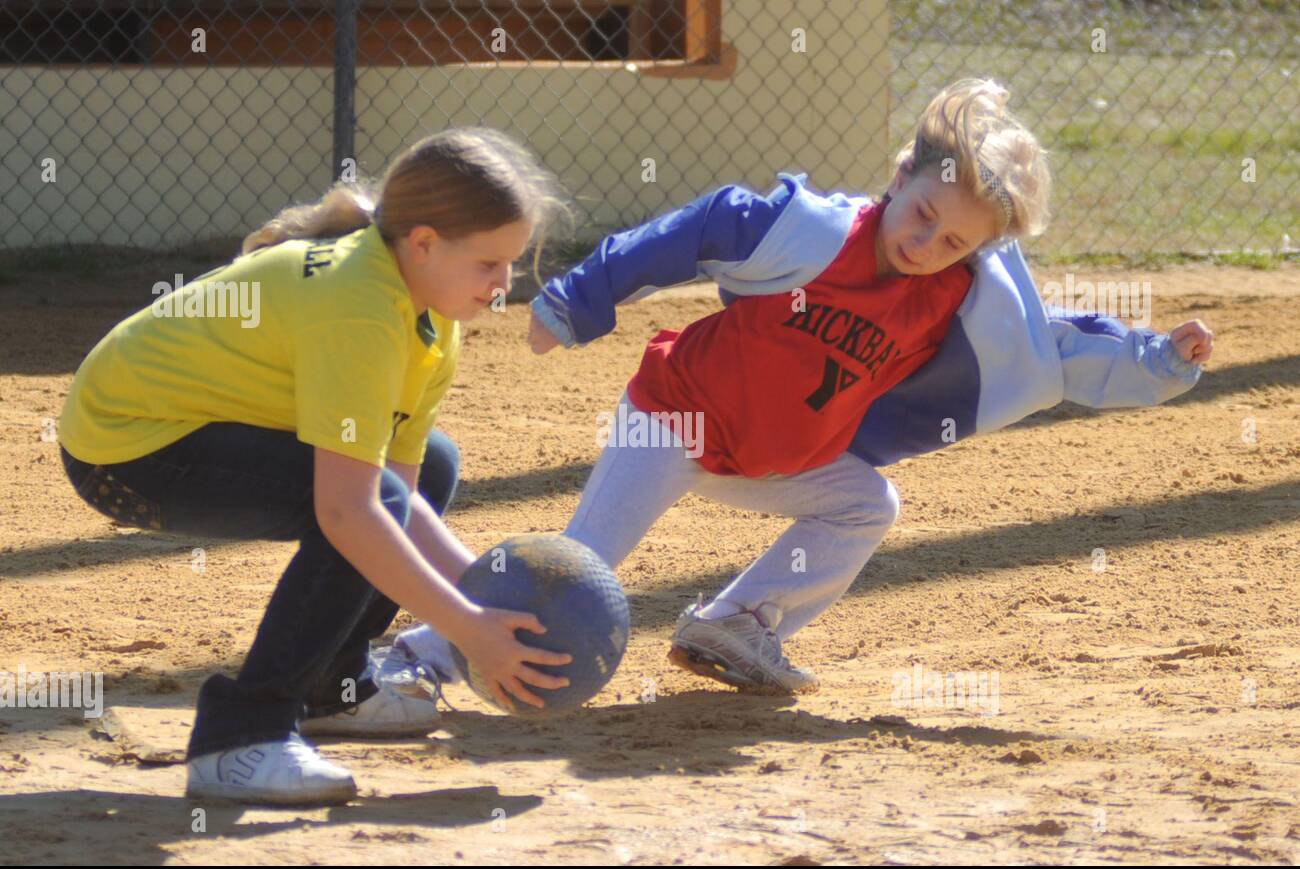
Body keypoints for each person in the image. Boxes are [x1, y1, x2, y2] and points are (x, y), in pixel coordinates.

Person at [391, 78, 1212, 697]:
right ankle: (418, 656)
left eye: (956, 240)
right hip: (674, 420)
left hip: (782, 458)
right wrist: (581, 297)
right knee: (583, 564)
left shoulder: (959, 299)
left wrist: (1159, 359)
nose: (928, 241)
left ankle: (738, 622)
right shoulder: (812, 232)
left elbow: (1056, 345)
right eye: (923, 212)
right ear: (900, 175)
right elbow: (701, 226)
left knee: (866, 504)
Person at [58, 127, 573, 805]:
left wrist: (487, 594)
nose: (504, 285)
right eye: (488, 264)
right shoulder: (359, 307)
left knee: (431, 464)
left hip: (181, 429)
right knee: (363, 507)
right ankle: (240, 739)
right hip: (123, 445)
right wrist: (468, 628)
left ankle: (335, 684)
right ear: (422, 244)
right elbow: (349, 510)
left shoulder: (432, 319)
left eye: (512, 263)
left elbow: (407, 495)